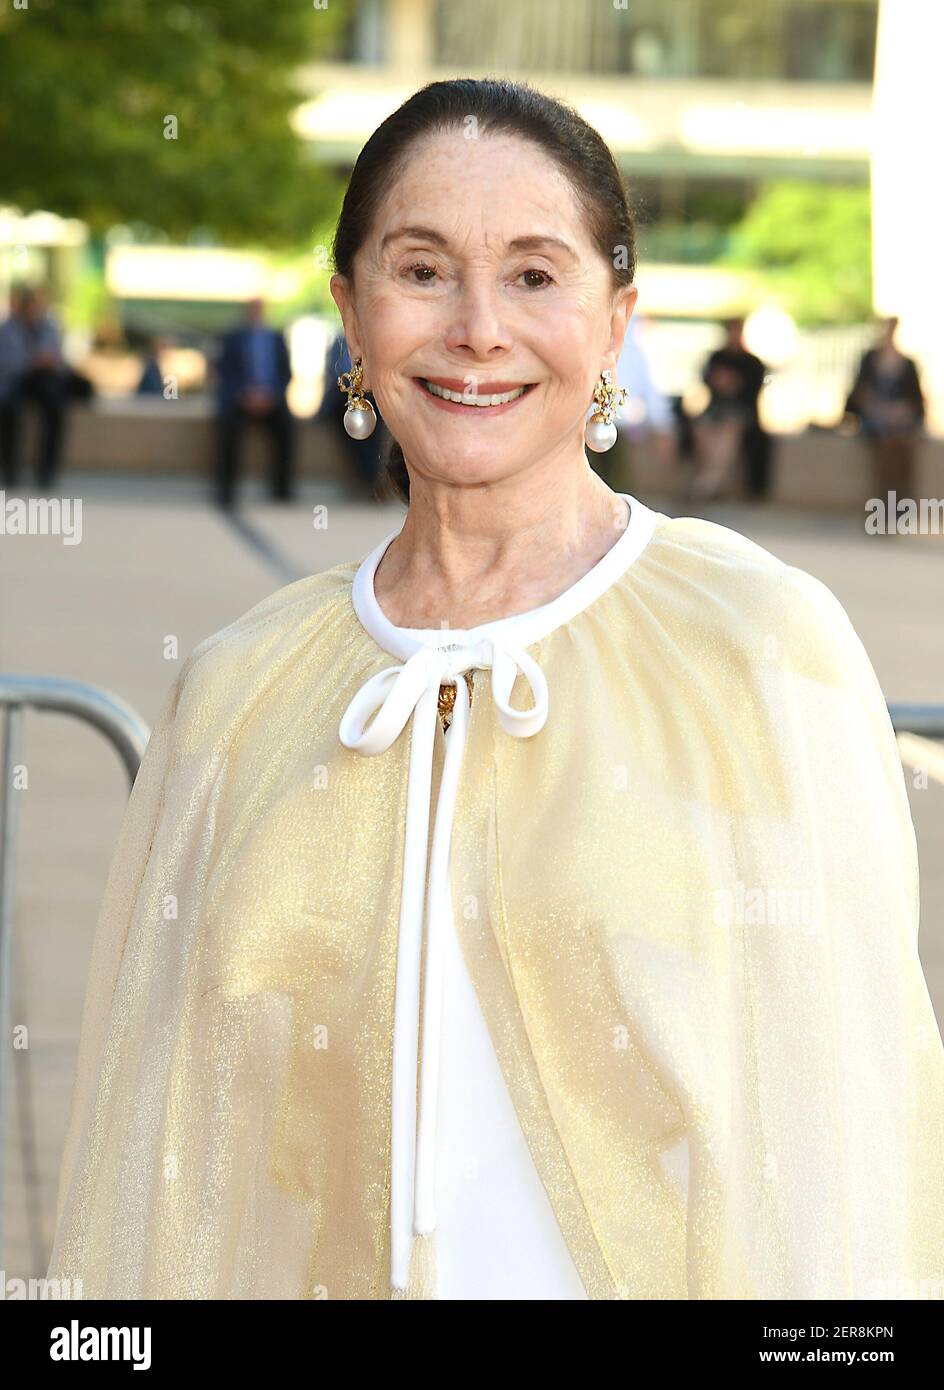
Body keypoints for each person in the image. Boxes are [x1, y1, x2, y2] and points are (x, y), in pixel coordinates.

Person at [46, 78, 944, 1301]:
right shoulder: (241, 691)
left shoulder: (753, 646)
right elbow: (163, 1161)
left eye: (534, 274)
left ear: (614, 317)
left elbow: (848, 1139)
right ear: (351, 318)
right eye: (421, 271)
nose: (476, 328)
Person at [214, 296, 295, 507]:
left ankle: (282, 489)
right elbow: (224, 372)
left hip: (271, 400)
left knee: (287, 431)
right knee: (228, 430)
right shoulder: (233, 337)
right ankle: (226, 491)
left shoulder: (275, 337)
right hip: (240, 400)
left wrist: (271, 395)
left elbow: (286, 373)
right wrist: (245, 395)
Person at [845, 315, 925, 503]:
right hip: (874, 419)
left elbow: (915, 400)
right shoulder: (869, 360)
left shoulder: (907, 363)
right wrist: (878, 408)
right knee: (885, 444)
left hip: (900, 422)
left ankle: (899, 501)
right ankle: (885, 501)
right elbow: (859, 392)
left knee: (901, 445)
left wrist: (898, 411)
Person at [688, 316, 769, 502]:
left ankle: (706, 484)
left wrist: (733, 384)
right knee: (702, 429)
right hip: (715, 410)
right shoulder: (717, 358)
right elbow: (707, 380)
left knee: (728, 431)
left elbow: (751, 392)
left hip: (741, 413)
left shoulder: (753, 363)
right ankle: (710, 481)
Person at [0, 285, 69, 488]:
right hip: (15, 382)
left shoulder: (49, 328)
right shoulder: (7, 329)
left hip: (42, 381)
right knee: (9, 413)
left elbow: (60, 360)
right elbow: (5, 363)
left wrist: (49, 361)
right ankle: (9, 471)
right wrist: (31, 361)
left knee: (55, 409)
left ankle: (46, 472)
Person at [315, 328, 388, 497]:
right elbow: (333, 374)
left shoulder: (372, 338)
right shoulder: (340, 341)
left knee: (372, 435)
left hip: (370, 393)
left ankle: (370, 478)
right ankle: (368, 479)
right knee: (352, 433)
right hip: (345, 398)